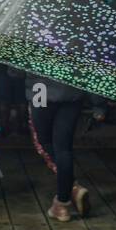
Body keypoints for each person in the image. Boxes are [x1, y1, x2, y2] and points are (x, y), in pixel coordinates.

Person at [25, 72, 91, 221]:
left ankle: (71, 189)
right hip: (72, 89)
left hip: (40, 89)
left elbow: (16, 69)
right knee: (64, 148)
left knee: (44, 140)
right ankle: (63, 202)